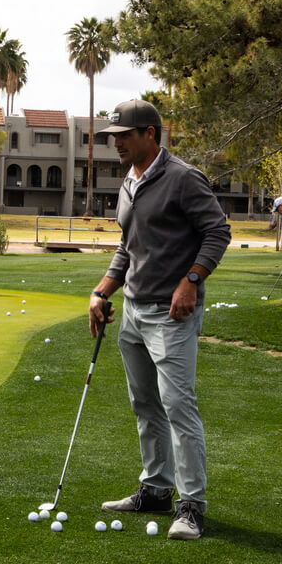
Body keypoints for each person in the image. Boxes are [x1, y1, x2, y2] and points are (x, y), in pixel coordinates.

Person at [87, 99, 231, 541]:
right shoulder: (128, 183)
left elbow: (218, 232)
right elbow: (128, 249)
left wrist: (191, 281)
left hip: (171, 315)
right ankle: (155, 489)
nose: (118, 145)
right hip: (132, 312)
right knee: (145, 404)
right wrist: (101, 291)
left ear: (151, 133)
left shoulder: (183, 179)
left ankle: (191, 506)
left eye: (124, 136)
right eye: (114, 138)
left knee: (178, 407)